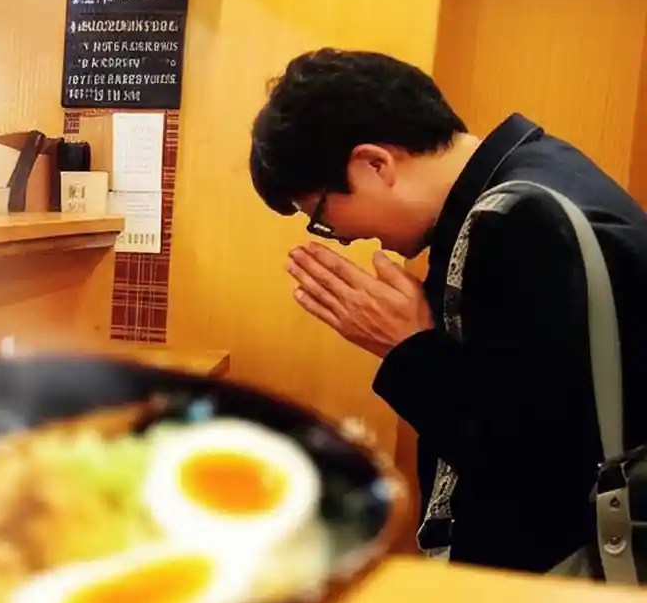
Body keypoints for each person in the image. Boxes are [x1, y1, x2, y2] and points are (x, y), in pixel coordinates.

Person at [248, 48, 647, 574]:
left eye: (320, 214)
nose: (339, 234)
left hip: (558, 588)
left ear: (374, 163)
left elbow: (531, 467)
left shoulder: (519, 222)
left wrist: (408, 349)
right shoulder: (533, 177)